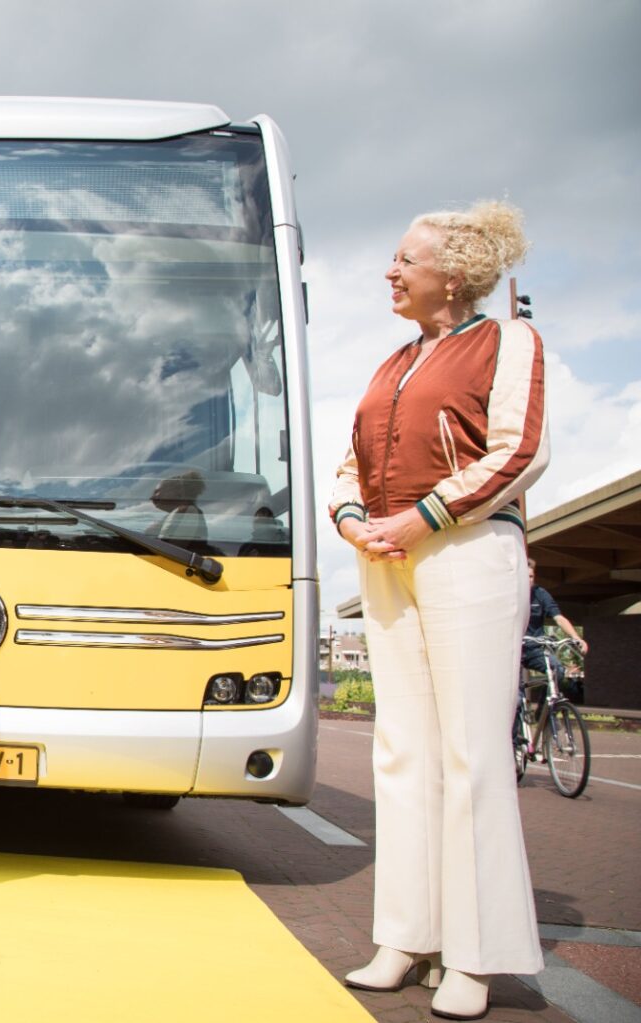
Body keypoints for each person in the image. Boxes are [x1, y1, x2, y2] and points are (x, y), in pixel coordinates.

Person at [330, 201, 546, 1019]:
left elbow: (520, 449)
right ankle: (405, 936)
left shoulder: (509, 342)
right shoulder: (392, 363)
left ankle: (475, 956)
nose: (391, 270)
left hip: (468, 550)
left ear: (451, 274)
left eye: (404, 259)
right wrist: (355, 521)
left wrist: (420, 517)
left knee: (470, 753)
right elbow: (351, 463)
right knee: (402, 749)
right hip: (387, 556)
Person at [521, 558, 587, 697]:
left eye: (531, 576)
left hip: (534, 649)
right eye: (525, 577)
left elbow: (559, 618)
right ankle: (518, 713)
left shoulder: (540, 594)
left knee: (557, 670)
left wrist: (576, 637)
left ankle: (545, 713)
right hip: (514, 651)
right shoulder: (510, 595)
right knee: (517, 697)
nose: (529, 580)